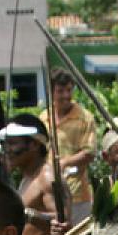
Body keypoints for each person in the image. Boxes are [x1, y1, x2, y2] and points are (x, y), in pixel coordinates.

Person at [2, 114, 67, 235]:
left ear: (34, 145)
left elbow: (62, 222)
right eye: (6, 144)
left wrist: (28, 215)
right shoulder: (28, 176)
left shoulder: (47, 178)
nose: (7, 149)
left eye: (13, 143)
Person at [40, 68, 96, 206]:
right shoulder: (43, 118)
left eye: (69, 90)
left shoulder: (85, 118)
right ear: (51, 92)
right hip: (50, 192)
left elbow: (89, 153)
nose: (66, 95)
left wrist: (64, 163)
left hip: (77, 194)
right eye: (60, 91)